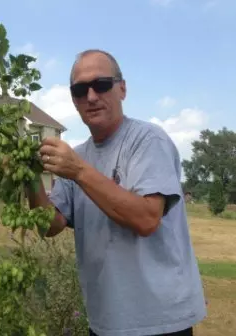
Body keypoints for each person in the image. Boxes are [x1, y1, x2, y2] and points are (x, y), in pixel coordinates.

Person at [26, 49, 207, 336]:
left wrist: (79, 171)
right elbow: (51, 225)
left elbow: (147, 219)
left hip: (160, 322)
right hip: (106, 321)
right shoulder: (79, 155)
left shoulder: (148, 141)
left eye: (101, 84)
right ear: (73, 99)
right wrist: (29, 176)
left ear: (122, 88)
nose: (91, 96)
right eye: (80, 89)